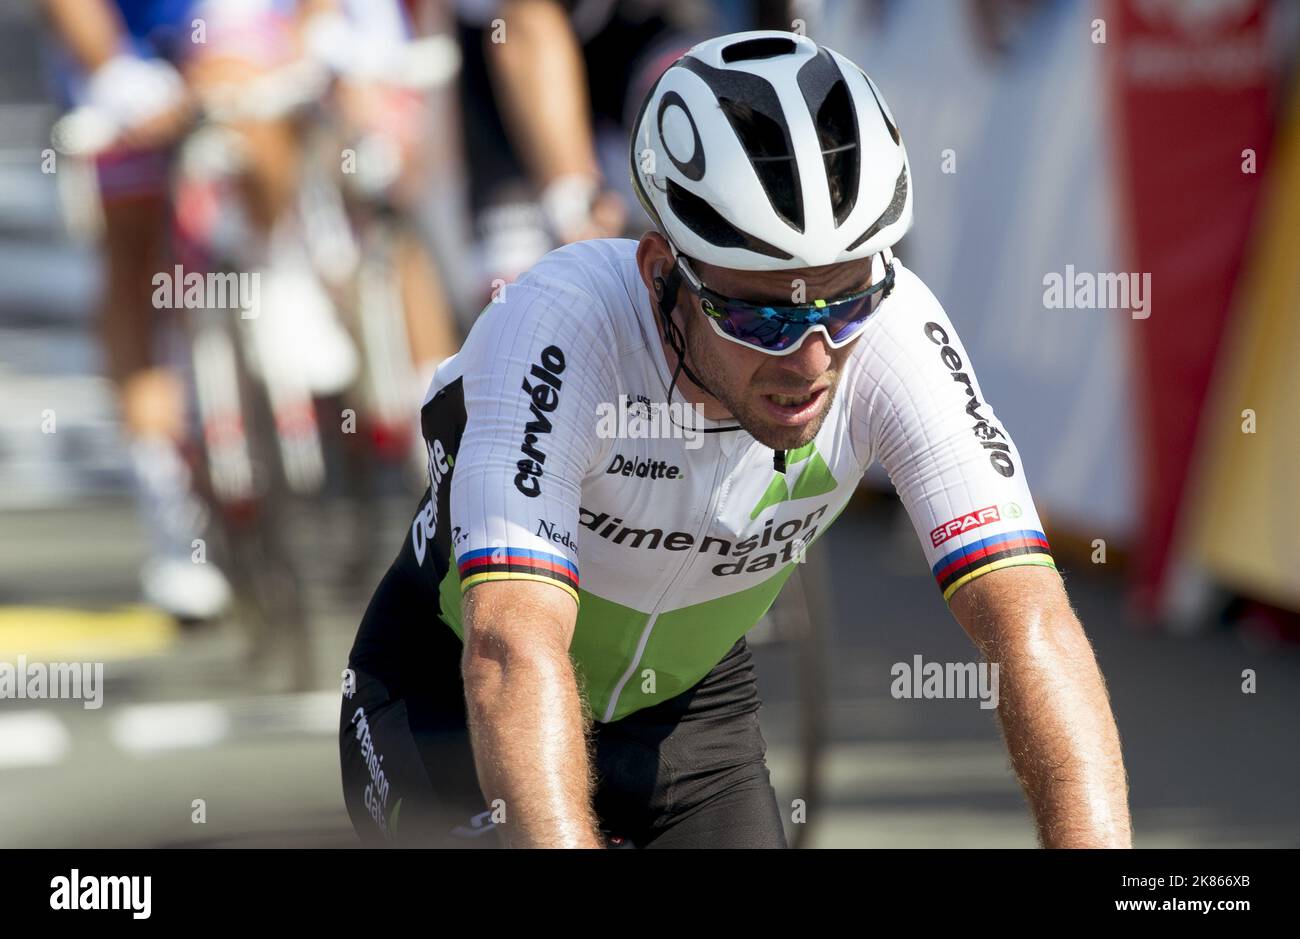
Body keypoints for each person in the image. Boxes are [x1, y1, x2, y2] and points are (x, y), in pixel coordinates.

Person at [339, 30, 1132, 848]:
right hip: (450, 700)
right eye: (761, 315)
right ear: (661, 274)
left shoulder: (899, 336)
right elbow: (510, 647)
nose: (812, 358)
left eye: (845, 302)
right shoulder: (562, 326)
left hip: (688, 724)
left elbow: (1031, 624)